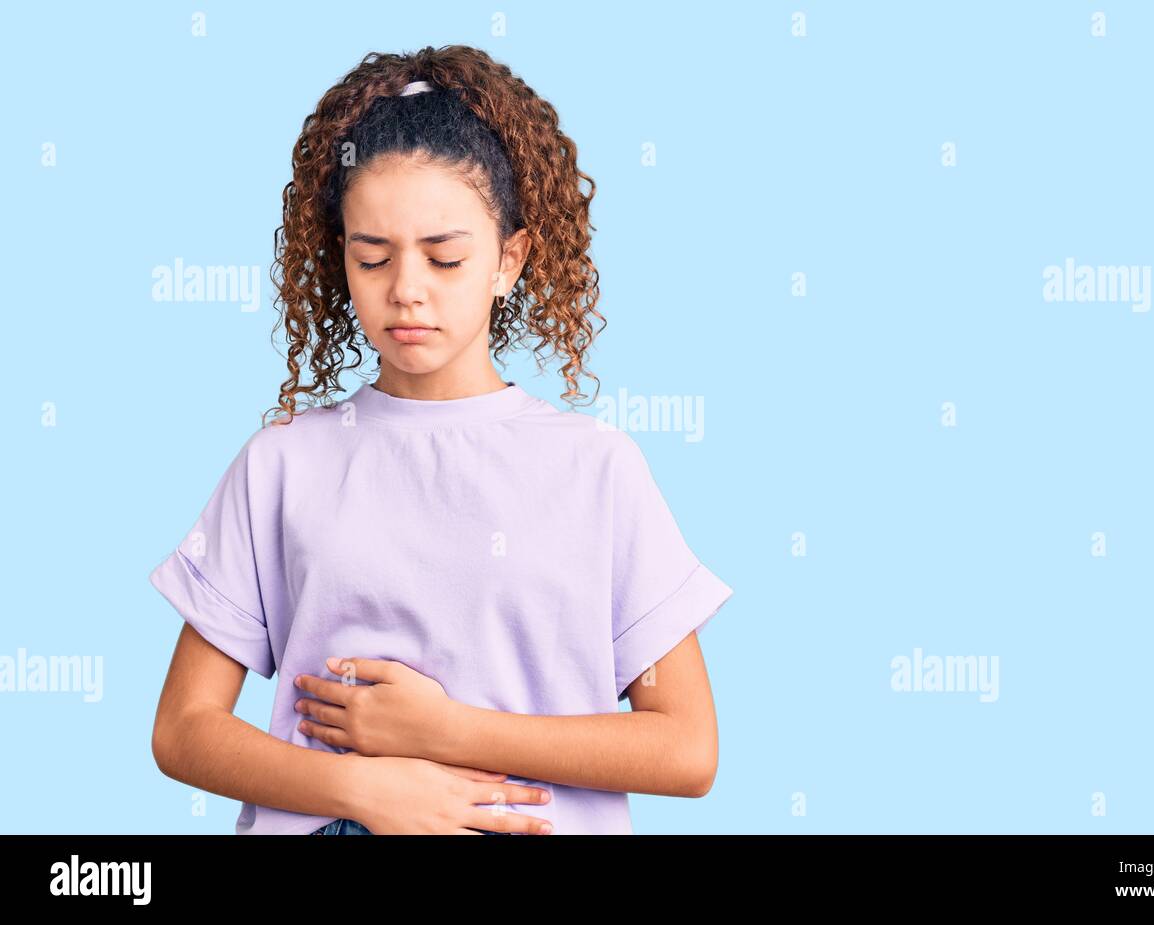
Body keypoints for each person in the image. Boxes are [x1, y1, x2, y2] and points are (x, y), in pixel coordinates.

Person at [148, 45, 734, 835]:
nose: (407, 289)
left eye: (446, 257)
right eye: (372, 257)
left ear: (508, 260)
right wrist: (360, 791)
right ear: (341, 261)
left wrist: (446, 731)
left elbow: (687, 747)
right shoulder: (282, 464)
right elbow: (184, 727)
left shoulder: (596, 470)